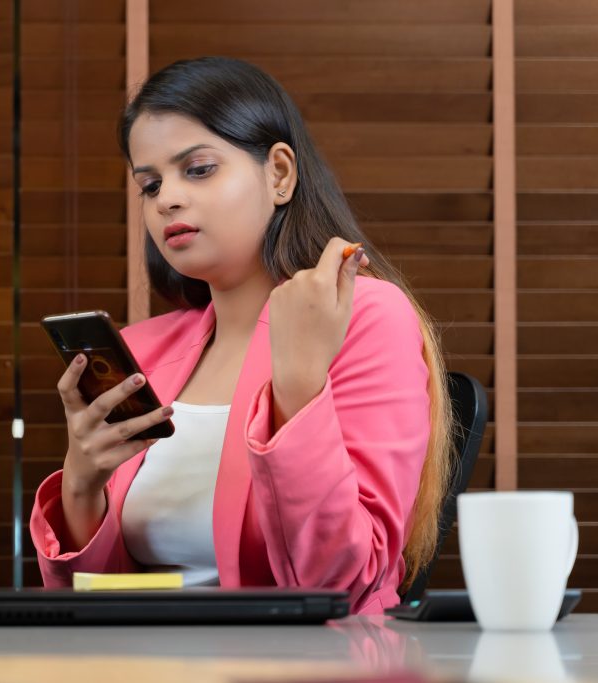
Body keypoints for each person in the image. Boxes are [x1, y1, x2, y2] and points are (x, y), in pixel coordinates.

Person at [29, 56, 452, 614]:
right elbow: (88, 606)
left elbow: (340, 586)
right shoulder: (142, 350)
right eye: (149, 184)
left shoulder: (363, 316)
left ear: (279, 174)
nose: (167, 199)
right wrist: (81, 487)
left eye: (198, 169)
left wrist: (299, 386)